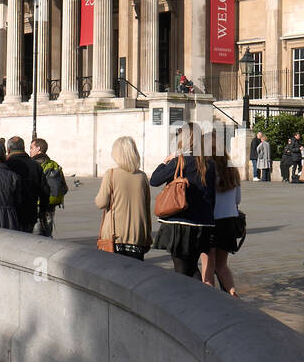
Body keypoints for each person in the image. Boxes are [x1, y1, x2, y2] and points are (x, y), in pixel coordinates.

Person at [150, 124, 216, 277]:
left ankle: (184, 299)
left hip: (180, 222)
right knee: (193, 267)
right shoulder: (210, 164)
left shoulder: (180, 161)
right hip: (202, 223)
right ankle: (200, 298)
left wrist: (165, 162)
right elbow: (212, 196)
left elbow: (154, 180)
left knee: (181, 269)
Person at [95, 135, 152, 259]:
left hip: (115, 236)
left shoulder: (111, 174)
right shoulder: (142, 177)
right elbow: (146, 208)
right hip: (137, 235)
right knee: (134, 275)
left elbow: (101, 203)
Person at [201, 137, 241, 294]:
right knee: (222, 266)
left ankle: (209, 301)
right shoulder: (232, 169)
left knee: (208, 267)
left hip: (212, 221)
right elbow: (238, 199)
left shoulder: (207, 169)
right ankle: (232, 294)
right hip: (230, 221)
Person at [4, 135, 49, 233]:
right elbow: (45, 191)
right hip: (29, 212)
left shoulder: (5, 166)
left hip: (9, 213)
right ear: (23, 148)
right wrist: (42, 211)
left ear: (8, 149)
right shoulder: (35, 165)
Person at [29, 138, 68, 236]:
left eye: (31, 148)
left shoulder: (32, 165)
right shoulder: (53, 164)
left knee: (35, 236)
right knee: (47, 234)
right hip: (50, 207)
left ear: (38, 149)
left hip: (36, 206)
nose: (30, 150)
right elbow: (64, 188)